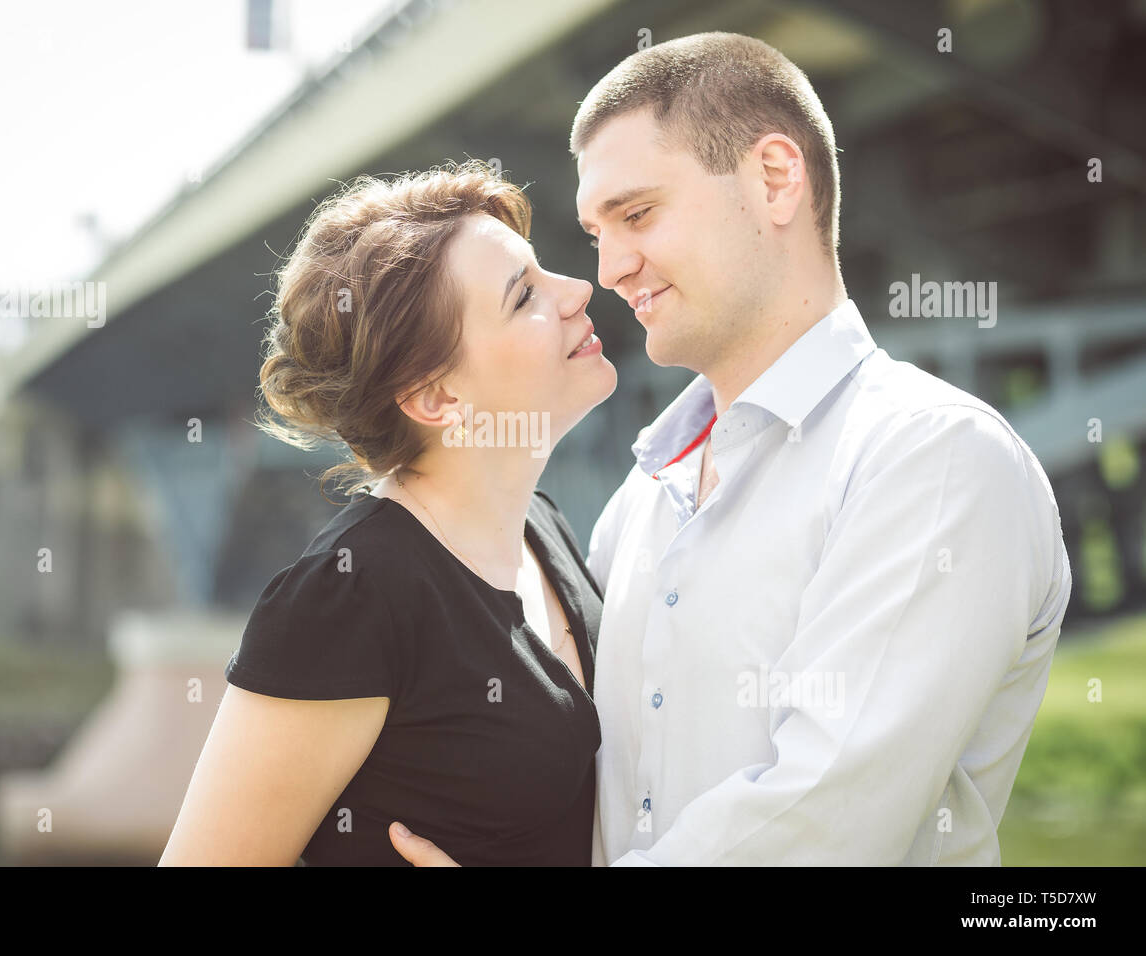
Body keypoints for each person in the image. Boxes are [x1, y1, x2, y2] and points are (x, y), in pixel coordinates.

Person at [387, 31, 1072, 866]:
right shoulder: (637, 504)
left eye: (637, 214)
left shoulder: (934, 459)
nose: (610, 269)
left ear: (776, 179)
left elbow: (827, 820)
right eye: (597, 231)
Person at [158, 160, 618, 865]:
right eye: (524, 294)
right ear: (435, 397)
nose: (578, 289)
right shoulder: (350, 597)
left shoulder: (545, 532)